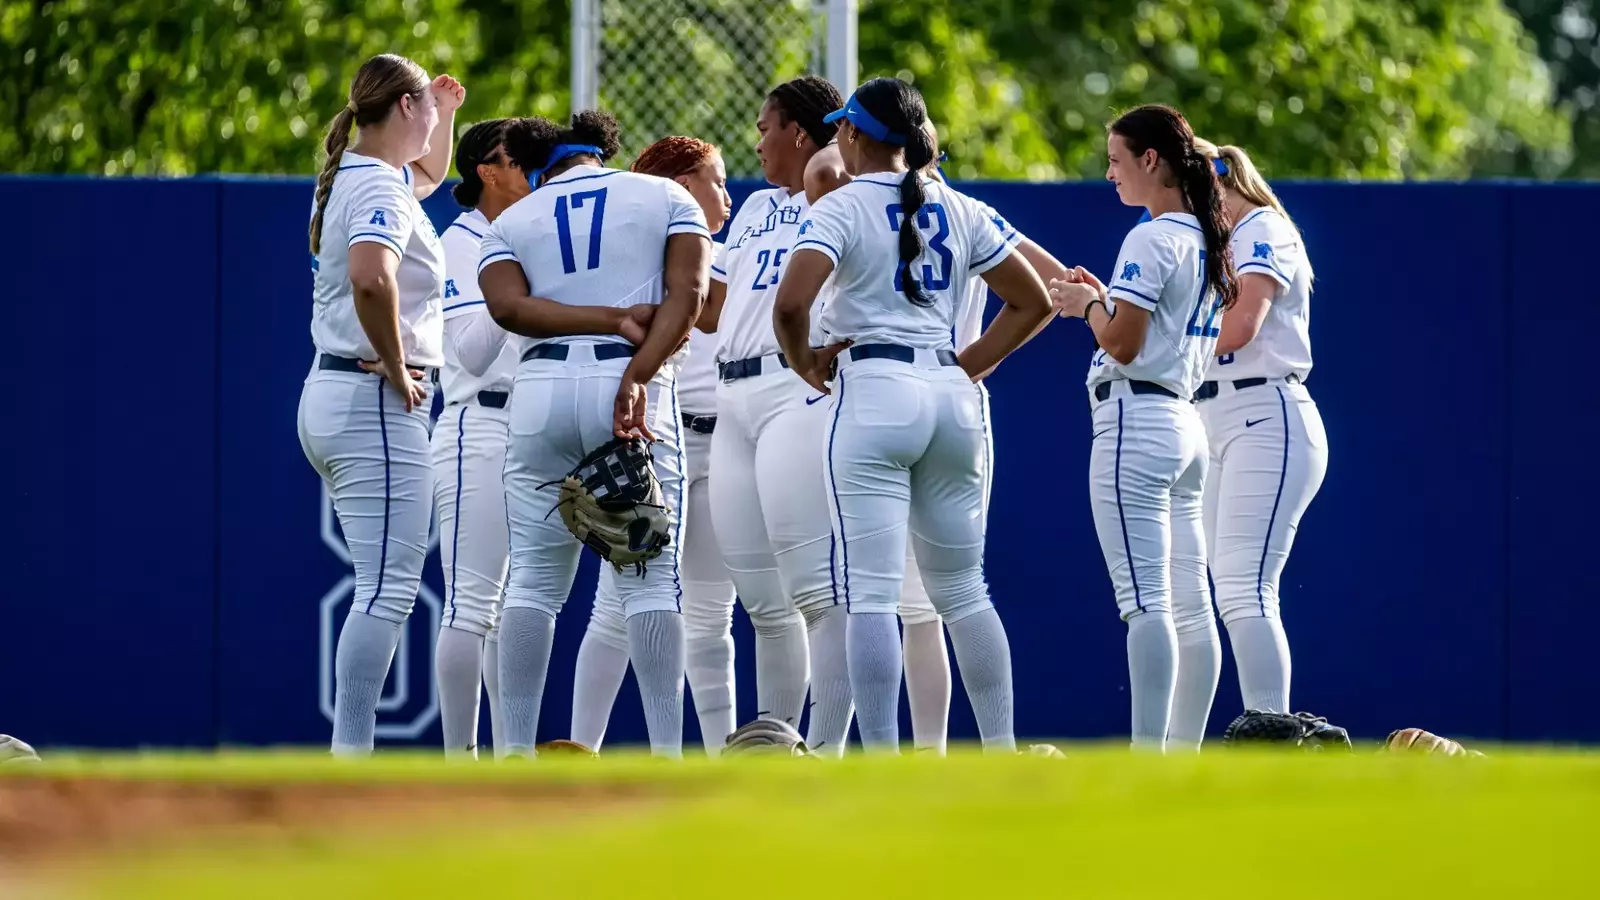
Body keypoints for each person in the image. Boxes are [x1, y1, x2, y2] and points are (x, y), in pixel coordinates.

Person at [772, 78, 1054, 754]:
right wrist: (968, 363)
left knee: (871, 594)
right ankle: (1002, 752)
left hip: (873, 386)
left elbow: (790, 306)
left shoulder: (839, 207)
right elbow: (1035, 300)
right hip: (947, 392)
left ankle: (880, 759)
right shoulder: (959, 205)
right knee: (963, 590)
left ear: (855, 135)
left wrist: (804, 361)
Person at [477, 111, 712, 759]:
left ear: (536, 166)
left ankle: (514, 759)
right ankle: (666, 756)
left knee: (530, 582)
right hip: (627, 392)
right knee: (651, 579)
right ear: (605, 151)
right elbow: (688, 297)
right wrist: (637, 373)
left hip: (542, 395)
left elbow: (508, 309)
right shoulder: (666, 194)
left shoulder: (512, 219)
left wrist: (599, 317)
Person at [1048, 104, 1236, 753]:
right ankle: (1181, 759)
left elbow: (1123, 344)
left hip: (1137, 419)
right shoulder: (1206, 238)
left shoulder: (1151, 235)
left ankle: (1148, 761)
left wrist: (1089, 306)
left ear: (1151, 159)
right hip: (1185, 423)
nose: (1109, 174)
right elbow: (1141, 330)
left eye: (1117, 159)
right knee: (1191, 604)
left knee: (1144, 603)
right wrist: (1105, 301)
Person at [297, 53, 463, 757]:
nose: (432, 115)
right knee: (390, 590)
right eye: (426, 103)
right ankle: (350, 760)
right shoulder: (379, 191)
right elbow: (372, 279)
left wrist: (447, 115)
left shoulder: (361, 176)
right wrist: (397, 366)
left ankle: (349, 756)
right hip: (371, 396)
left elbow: (424, 177)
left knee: (381, 585)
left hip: (333, 391)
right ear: (402, 108)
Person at [568, 135, 738, 755]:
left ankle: (723, 757)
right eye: (715, 180)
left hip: (722, 446)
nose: (726, 194)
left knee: (712, 615)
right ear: (682, 183)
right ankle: (580, 750)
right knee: (615, 606)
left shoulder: (733, 247)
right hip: (659, 439)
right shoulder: (649, 253)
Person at [697, 75, 851, 754]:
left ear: (798, 130)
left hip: (799, 387)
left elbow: (844, 171)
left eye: (766, 127)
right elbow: (708, 307)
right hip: (733, 398)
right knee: (763, 601)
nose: (757, 141)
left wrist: (830, 146)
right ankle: (777, 754)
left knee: (816, 592)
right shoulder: (757, 207)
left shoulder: (841, 185)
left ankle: (826, 750)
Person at [1178, 139, 1326, 738]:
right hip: (1218, 418)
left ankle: (1275, 736)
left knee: (1244, 586)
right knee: (1221, 586)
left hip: (1266, 412)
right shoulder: (1216, 238)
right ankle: (1261, 732)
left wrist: (1161, 345)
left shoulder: (1262, 224)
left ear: (1214, 176)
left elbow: (1242, 325)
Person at [429, 117, 532, 759]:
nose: (530, 168)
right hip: (479, 424)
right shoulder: (462, 242)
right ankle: (458, 765)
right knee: (472, 605)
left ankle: (508, 759)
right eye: (517, 158)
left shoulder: (531, 236)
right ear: (487, 171)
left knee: (518, 606)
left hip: (532, 428)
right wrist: (514, 285)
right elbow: (469, 355)